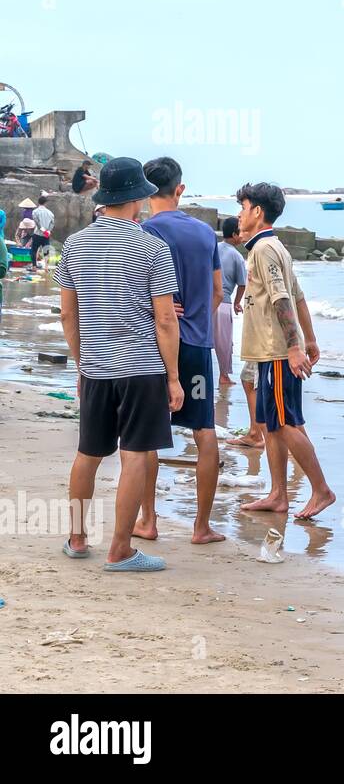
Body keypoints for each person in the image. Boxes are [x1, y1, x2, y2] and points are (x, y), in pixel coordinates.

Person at [55, 157, 182, 571]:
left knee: (88, 454)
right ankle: (120, 549)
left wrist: (81, 363)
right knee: (136, 456)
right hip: (142, 367)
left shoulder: (75, 245)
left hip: (96, 368)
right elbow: (165, 319)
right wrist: (175, 377)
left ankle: (76, 538)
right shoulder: (152, 247)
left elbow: (68, 315)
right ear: (138, 198)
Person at [134, 157, 225, 545]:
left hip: (159, 346)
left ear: (143, 192)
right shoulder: (207, 234)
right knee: (204, 431)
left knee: (150, 435)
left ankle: (149, 521)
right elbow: (219, 292)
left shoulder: (145, 231)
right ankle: (201, 527)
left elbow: (140, 292)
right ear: (180, 189)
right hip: (199, 345)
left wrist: (163, 306)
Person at [236, 182, 335, 519]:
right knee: (270, 424)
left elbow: (282, 299)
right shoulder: (271, 248)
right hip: (269, 353)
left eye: (243, 207)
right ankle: (278, 493)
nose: (239, 214)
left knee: (287, 422)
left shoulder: (264, 250)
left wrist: (295, 348)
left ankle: (322, 490)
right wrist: (310, 338)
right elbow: (300, 296)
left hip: (278, 352)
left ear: (257, 212)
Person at [215, 217, 247, 387]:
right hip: (223, 303)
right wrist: (237, 302)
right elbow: (242, 284)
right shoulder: (237, 256)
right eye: (240, 233)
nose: (243, 236)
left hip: (206, 302)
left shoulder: (213, 248)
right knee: (224, 342)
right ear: (234, 234)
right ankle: (224, 376)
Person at [31, 196, 55, 267]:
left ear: (38, 202)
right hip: (46, 236)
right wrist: (48, 231)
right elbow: (52, 223)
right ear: (45, 203)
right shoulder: (50, 213)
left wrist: (42, 230)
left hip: (37, 234)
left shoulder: (35, 211)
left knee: (34, 250)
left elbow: (37, 222)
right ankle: (46, 267)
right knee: (46, 252)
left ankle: (34, 266)